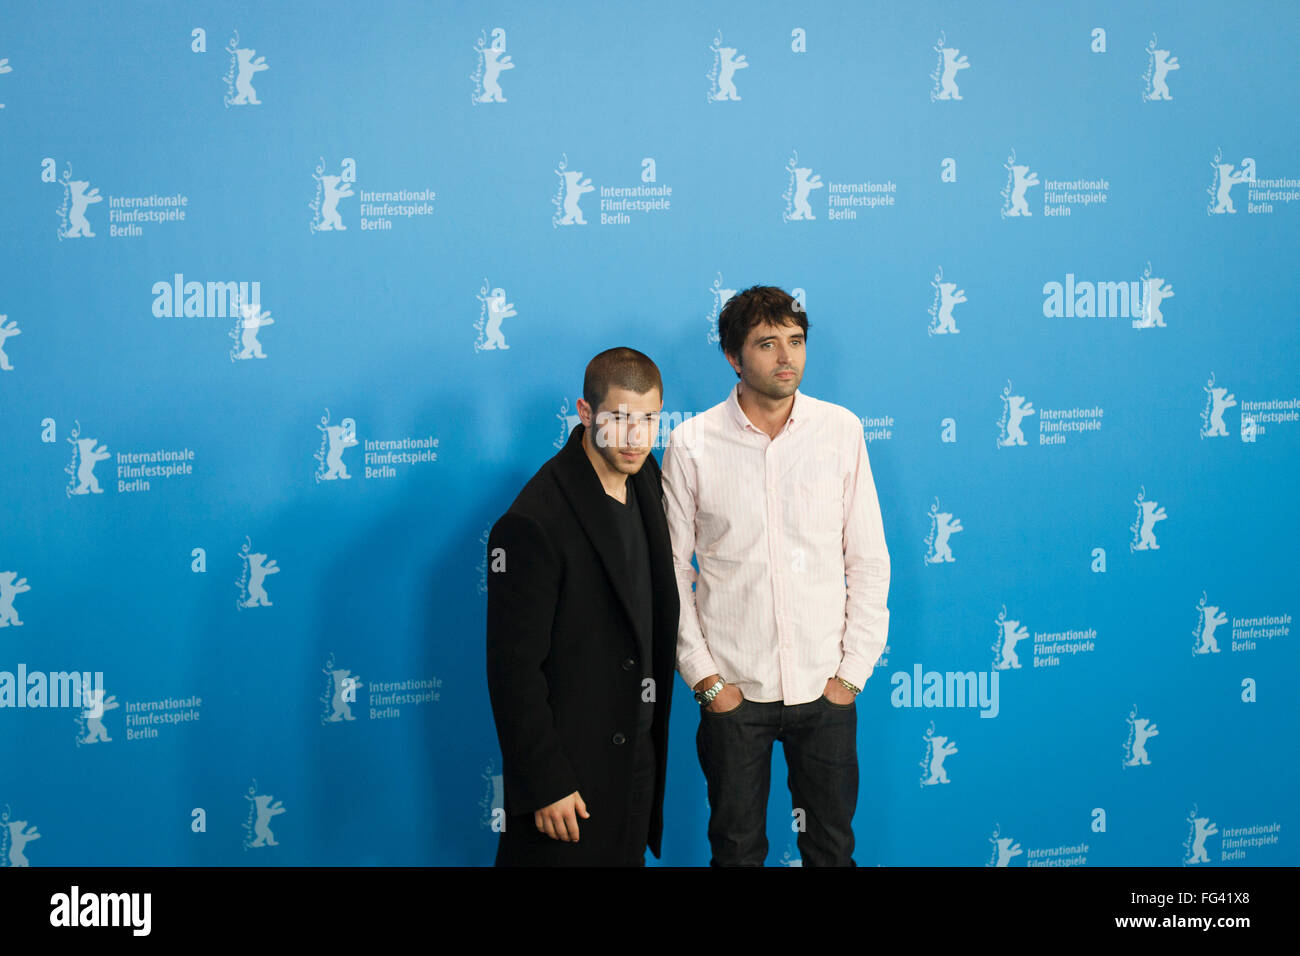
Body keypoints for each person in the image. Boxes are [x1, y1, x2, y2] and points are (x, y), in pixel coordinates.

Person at [662, 286, 890, 866]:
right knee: (736, 853)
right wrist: (707, 681)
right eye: (767, 344)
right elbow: (670, 571)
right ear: (734, 358)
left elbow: (866, 559)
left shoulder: (841, 432)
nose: (787, 356)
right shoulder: (691, 443)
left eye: (795, 340)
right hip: (735, 693)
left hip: (825, 691)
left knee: (832, 851)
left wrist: (851, 676)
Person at [486, 347, 679, 865]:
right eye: (618, 419)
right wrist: (544, 782)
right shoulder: (534, 520)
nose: (636, 437)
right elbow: (512, 670)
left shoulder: (646, 477)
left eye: (649, 420)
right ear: (586, 412)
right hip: (568, 777)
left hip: (636, 759)